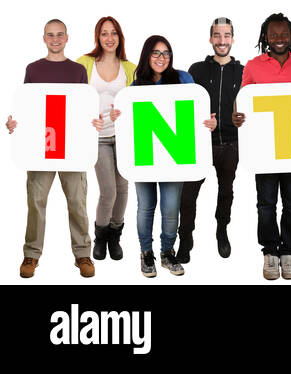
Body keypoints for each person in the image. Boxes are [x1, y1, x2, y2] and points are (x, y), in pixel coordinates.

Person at [9, 19, 98, 278]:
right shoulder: (33, 69)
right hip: (41, 147)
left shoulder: (78, 70)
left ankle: (83, 253)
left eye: (60, 35)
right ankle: (31, 254)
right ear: (44, 38)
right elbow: (27, 106)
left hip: (72, 146)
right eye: (51, 35)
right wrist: (15, 122)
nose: (55, 39)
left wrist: (94, 120)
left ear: (67, 38)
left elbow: (84, 106)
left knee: (77, 202)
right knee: (36, 202)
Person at [234, 13, 291, 281]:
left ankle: (289, 251)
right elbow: (243, 100)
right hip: (263, 147)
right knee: (266, 204)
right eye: (273, 35)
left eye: (284, 34)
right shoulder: (253, 65)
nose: (279, 39)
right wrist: (237, 115)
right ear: (265, 37)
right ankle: (270, 251)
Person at [132, 35, 198, 277]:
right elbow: (131, 120)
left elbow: (195, 110)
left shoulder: (183, 78)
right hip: (145, 155)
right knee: (146, 207)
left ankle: (167, 253)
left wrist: (207, 122)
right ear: (147, 55)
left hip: (174, 155)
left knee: (171, 208)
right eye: (156, 53)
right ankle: (146, 253)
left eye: (166, 53)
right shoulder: (136, 85)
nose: (161, 58)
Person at [76, 16, 136, 263]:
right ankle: (100, 236)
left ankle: (115, 235)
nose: (109, 38)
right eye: (104, 33)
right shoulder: (84, 64)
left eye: (114, 33)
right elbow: (73, 100)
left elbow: (138, 104)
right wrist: (88, 119)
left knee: (123, 190)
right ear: (97, 37)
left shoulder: (130, 68)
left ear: (120, 37)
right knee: (108, 191)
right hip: (98, 137)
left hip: (123, 137)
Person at [184, 17, 243, 261]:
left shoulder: (242, 71)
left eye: (226, 35)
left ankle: (222, 230)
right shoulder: (196, 70)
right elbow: (185, 106)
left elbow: (248, 108)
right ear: (210, 39)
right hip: (199, 143)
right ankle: (185, 237)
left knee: (226, 191)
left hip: (230, 142)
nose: (222, 40)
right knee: (188, 193)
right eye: (217, 36)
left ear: (232, 39)